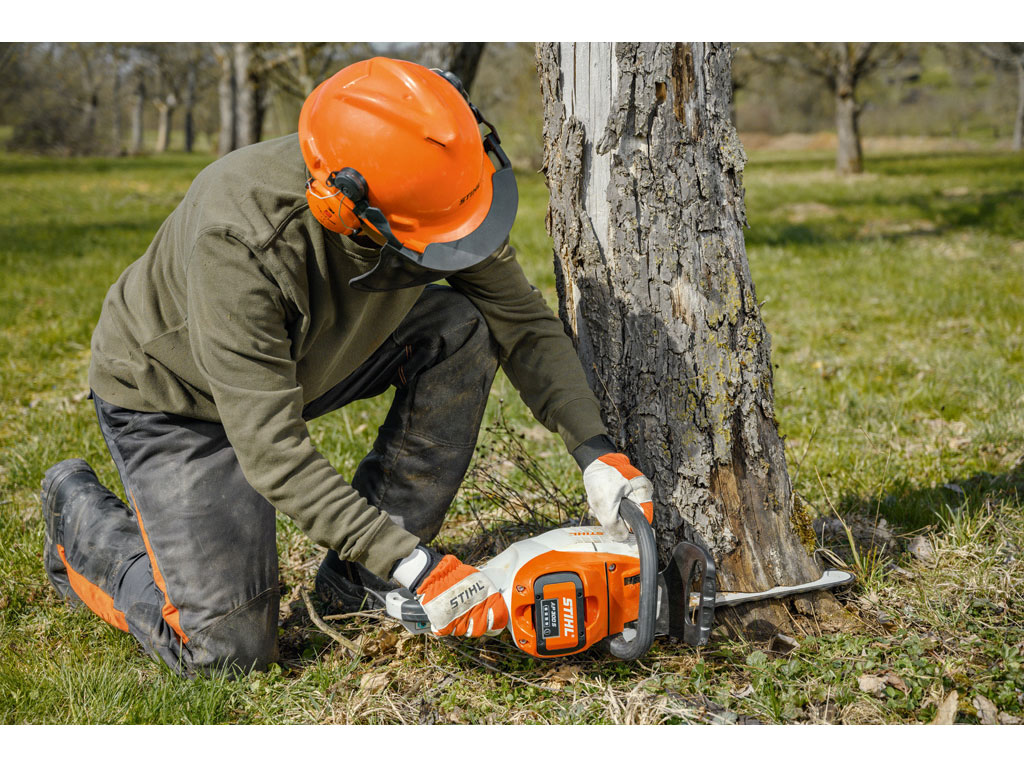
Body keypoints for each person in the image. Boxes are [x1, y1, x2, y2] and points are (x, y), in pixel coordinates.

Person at [41, 57, 654, 677]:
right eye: (433, 240)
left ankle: (360, 579)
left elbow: (521, 323)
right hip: (178, 398)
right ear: (342, 211)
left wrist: (596, 453)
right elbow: (271, 447)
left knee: (463, 326)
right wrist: (415, 565)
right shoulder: (241, 241)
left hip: (301, 361)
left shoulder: (431, 181)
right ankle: (79, 526)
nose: (456, 249)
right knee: (227, 654)